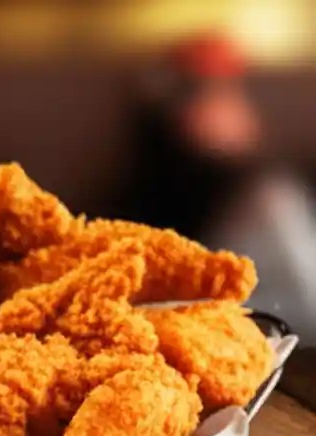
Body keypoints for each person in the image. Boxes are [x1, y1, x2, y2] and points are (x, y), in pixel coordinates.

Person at [131, 32, 316, 342]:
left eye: (231, 93)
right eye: (211, 94)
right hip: (224, 289)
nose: (230, 109)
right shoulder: (161, 173)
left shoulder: (270, 178)